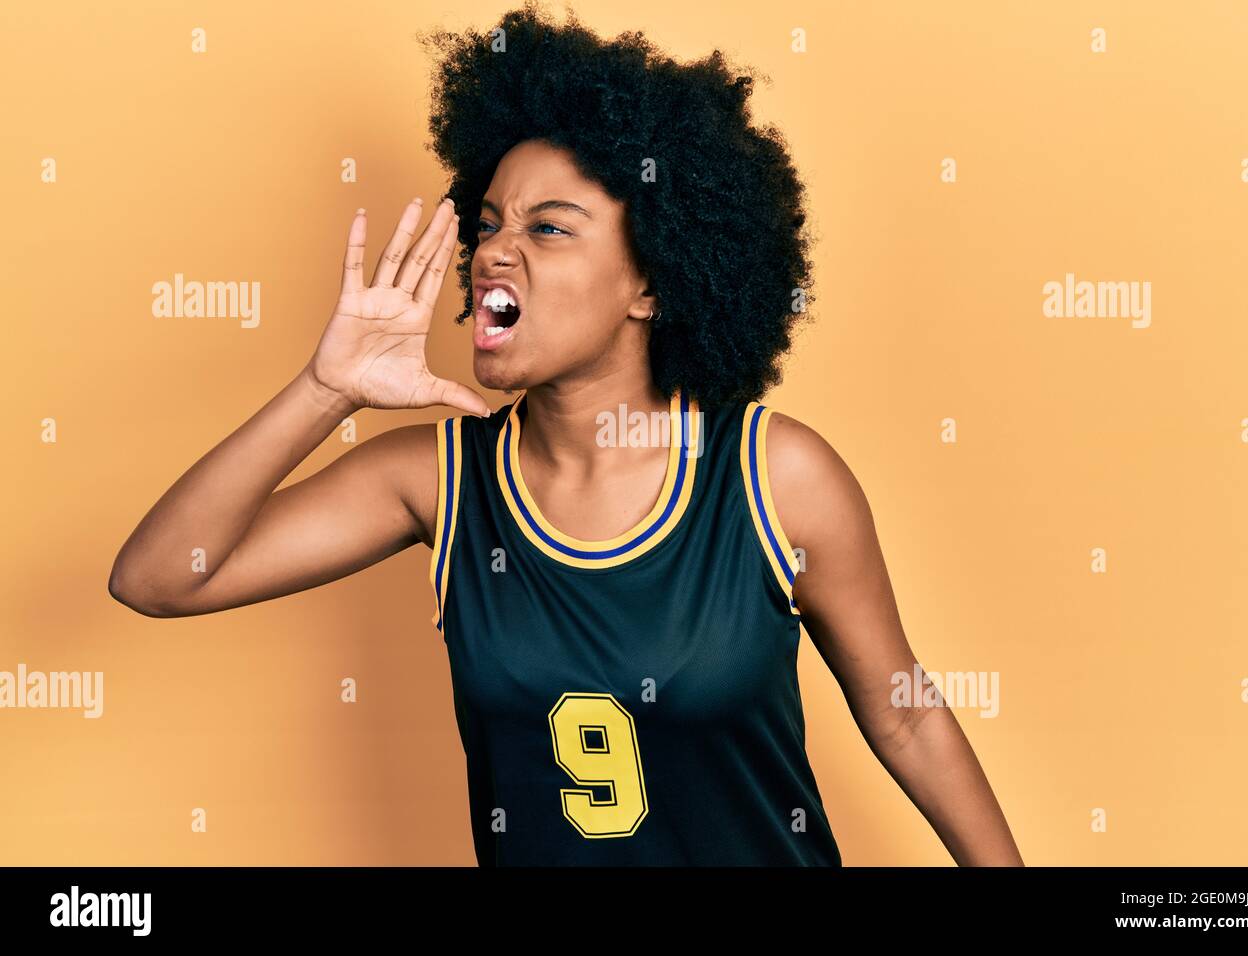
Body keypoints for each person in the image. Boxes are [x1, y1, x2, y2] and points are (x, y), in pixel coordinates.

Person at [109, 2, 1023, 866]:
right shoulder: (438, 481)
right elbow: (158, 580)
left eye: (550, 229)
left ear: (652, 283)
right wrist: (325, 391)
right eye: (490, 224)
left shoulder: (773, 476)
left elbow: (904, 716)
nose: (496, 250)